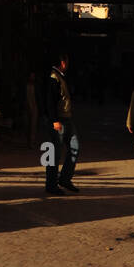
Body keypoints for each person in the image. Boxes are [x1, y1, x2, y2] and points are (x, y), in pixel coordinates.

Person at [45, 52, 79, 193]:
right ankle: (51, 185)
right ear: (63, 62)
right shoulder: (54, 78)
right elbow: (49, 102)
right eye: (67, 62)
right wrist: (54, 121)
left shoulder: (61, 77)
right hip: (58, 120)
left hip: (67, 118)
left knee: (74, 147)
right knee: (54, 153)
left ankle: (65, 179)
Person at [25, 71, 39, 149]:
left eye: (33, 76)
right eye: (31, 76)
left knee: (33, 125)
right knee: (28, 125)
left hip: (34, 107)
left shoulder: (35, 86)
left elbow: (37, 97)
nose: (32, 78)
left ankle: (32, 142)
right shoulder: (27, 86)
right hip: (28, 107)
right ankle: (29, 142)